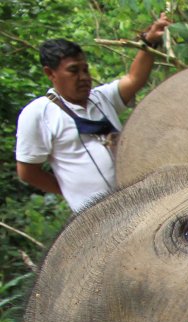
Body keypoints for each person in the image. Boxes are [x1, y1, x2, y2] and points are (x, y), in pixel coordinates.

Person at [14, 13, 171, 212]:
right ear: (50, 73)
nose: (83, 77)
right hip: (96, 218)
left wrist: (150, 40)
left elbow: (134, 79)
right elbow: (27, 172)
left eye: (85, 70)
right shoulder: (38, 113)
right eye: (73, 71)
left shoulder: (102, 98)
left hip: (138, 202)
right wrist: (72, 192)